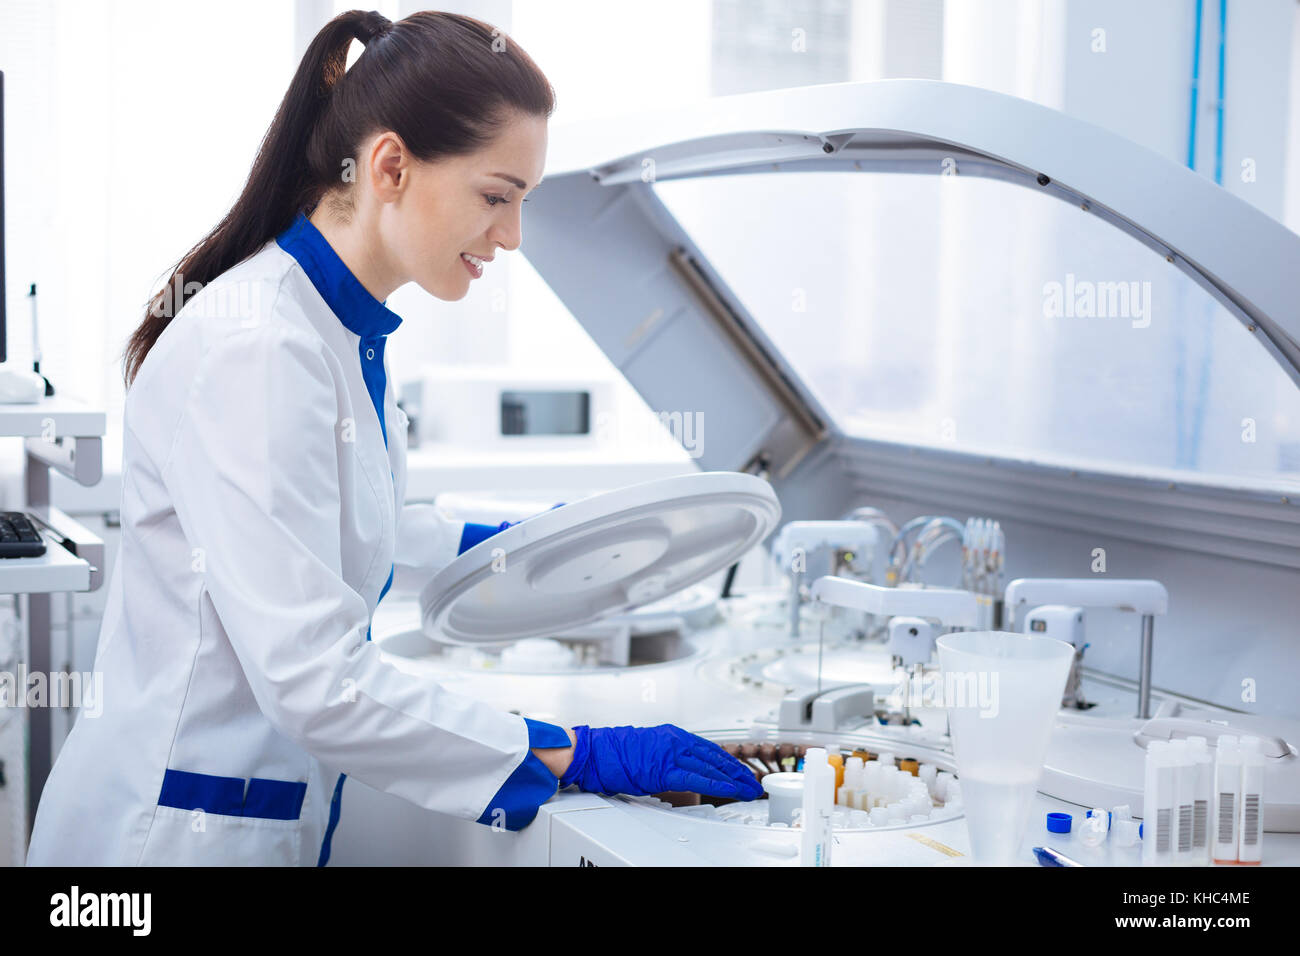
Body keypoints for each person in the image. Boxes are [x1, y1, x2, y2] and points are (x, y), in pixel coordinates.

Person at [26, 9, 760, 867]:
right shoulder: (260, 344)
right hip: (165, 839)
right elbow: (316, 681)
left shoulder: (333, 329)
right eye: (497, 195)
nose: (512, 236)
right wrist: (569, 751)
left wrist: (528, 543)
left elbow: (351, 525)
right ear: (390, 166)